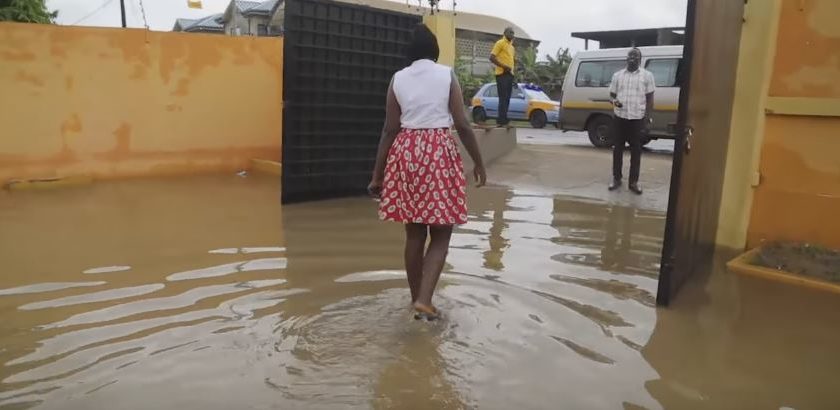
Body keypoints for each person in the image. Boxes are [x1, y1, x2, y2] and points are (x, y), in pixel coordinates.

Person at [368, 24, 487, 320]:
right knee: (442, 233)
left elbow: (389, 129)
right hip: (437, 152)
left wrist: (377, 174)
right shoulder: (446, 75)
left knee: (414, 233)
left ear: (408, 53)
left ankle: (417, 301)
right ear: (435, 51)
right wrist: (479, 162)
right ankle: (424, 300)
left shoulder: (398, 79)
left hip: (406, 152)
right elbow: (462, 124)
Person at [608, 48, 655, 195]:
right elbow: (611, 96)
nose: (632, 58)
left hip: (637, 119)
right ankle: (616, 179)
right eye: (630, 56)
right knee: (617, 149)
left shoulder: (647, 76)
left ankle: (633, 182)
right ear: (626, 59)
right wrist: (616, 103)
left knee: (636, 151)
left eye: (635, 56)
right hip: (620, 117)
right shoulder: (617, 75)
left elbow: (650, 99)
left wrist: (647, 118)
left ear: (640, 59)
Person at [490, 27, 516, 128]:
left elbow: (511, 60)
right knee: (503, 97)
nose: (512, 34)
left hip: (510, 75)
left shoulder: (512, 47)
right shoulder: (500, 43)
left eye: (513, 33)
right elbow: (492, 57)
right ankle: (501, 120)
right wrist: (504, 66)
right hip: (502, 74)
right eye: (510, 32)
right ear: (505, 33)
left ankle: (504, 119)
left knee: (507, 98)